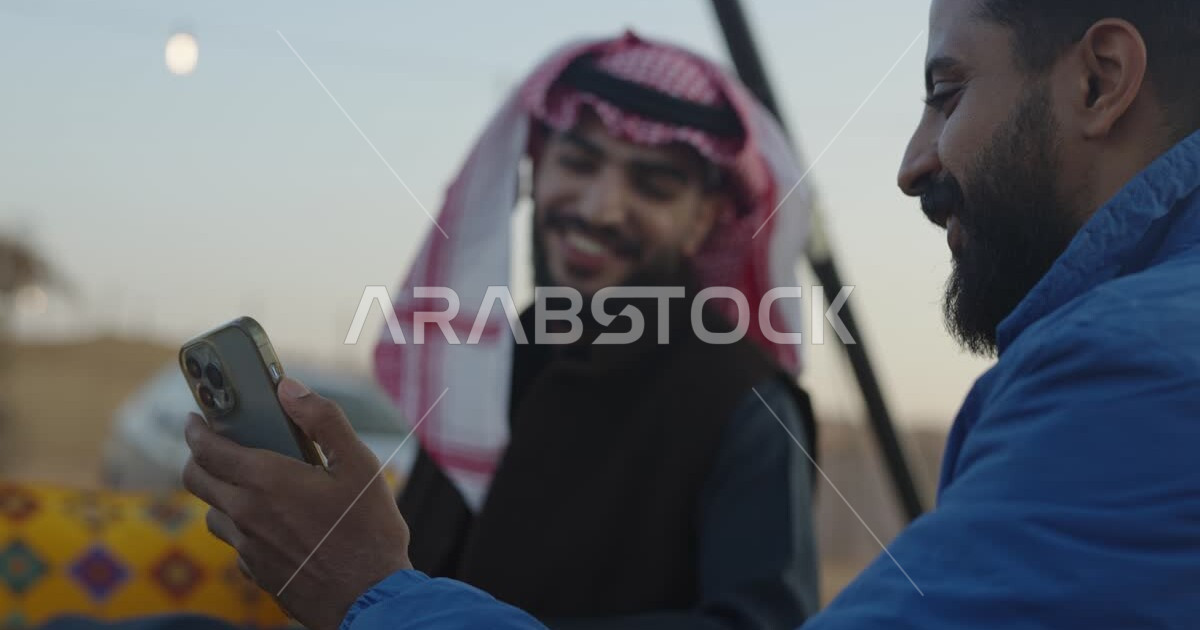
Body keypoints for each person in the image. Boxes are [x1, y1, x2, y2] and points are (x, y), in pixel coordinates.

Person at [174, 31, 822, 630]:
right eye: (580, 162)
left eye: (652, 185)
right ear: (537, 169)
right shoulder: (492, 357)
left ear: (701, 218)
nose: (599, 209)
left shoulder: (748, 403)